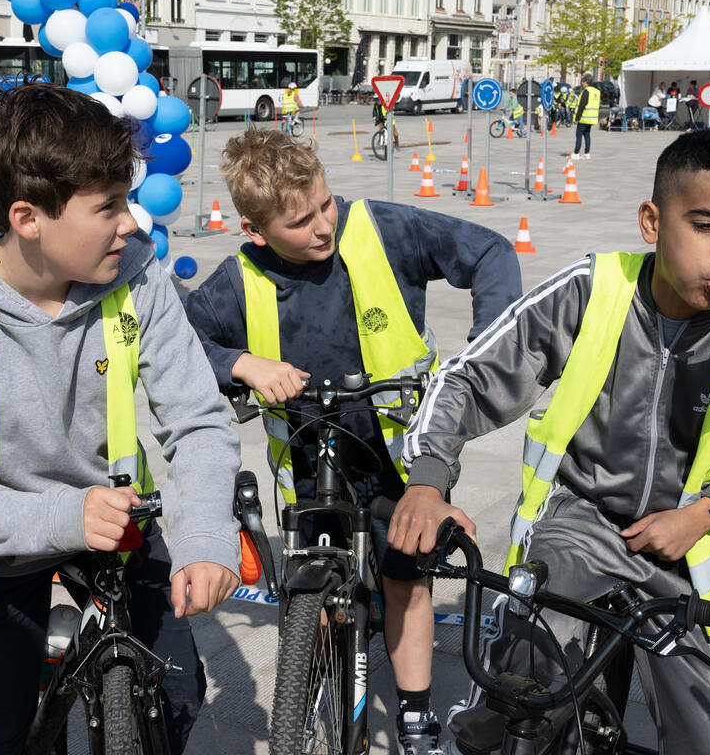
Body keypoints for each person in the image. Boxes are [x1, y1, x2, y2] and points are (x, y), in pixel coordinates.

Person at [389, 128, 710, 755]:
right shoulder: (593, 290)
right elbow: (471, 379)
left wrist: (704, 512)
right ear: (651, 221)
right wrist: (426, 480)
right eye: (706, 225)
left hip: (684, 557)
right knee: (515, 691)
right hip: (580, 526)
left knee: (706, 738)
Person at [0, 82, 241, 755]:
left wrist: (210, 533)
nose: (130, 222)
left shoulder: (137, 277)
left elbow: (197, 420)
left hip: (117, 517)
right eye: (108, 207)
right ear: (28, 218)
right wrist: (58, 516)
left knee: (178, 696)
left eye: (126, 200)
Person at [183, 128, 523, 755]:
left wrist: (483, 352)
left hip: (401, 459)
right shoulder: (238, 280)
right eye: (298, 222)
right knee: (309, 593)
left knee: (405, 577)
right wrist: (242, 363)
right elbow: (175, 342)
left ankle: (416, 712)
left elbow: (491, 252)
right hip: (311, 467)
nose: (321, 227)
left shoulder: (379, 228)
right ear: (256, 231)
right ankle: (310, 686)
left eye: (325, 205)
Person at [573, 73, 600, 159]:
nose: (582, 84)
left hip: (584, 118)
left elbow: (581, 106)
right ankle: (587, 153)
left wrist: (577, 118)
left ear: (585, 82)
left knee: (579, 135)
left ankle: (576, 153)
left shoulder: (586, 91)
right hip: (592, 118)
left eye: (582, 82)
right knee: (587, 135)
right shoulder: (596, 92)